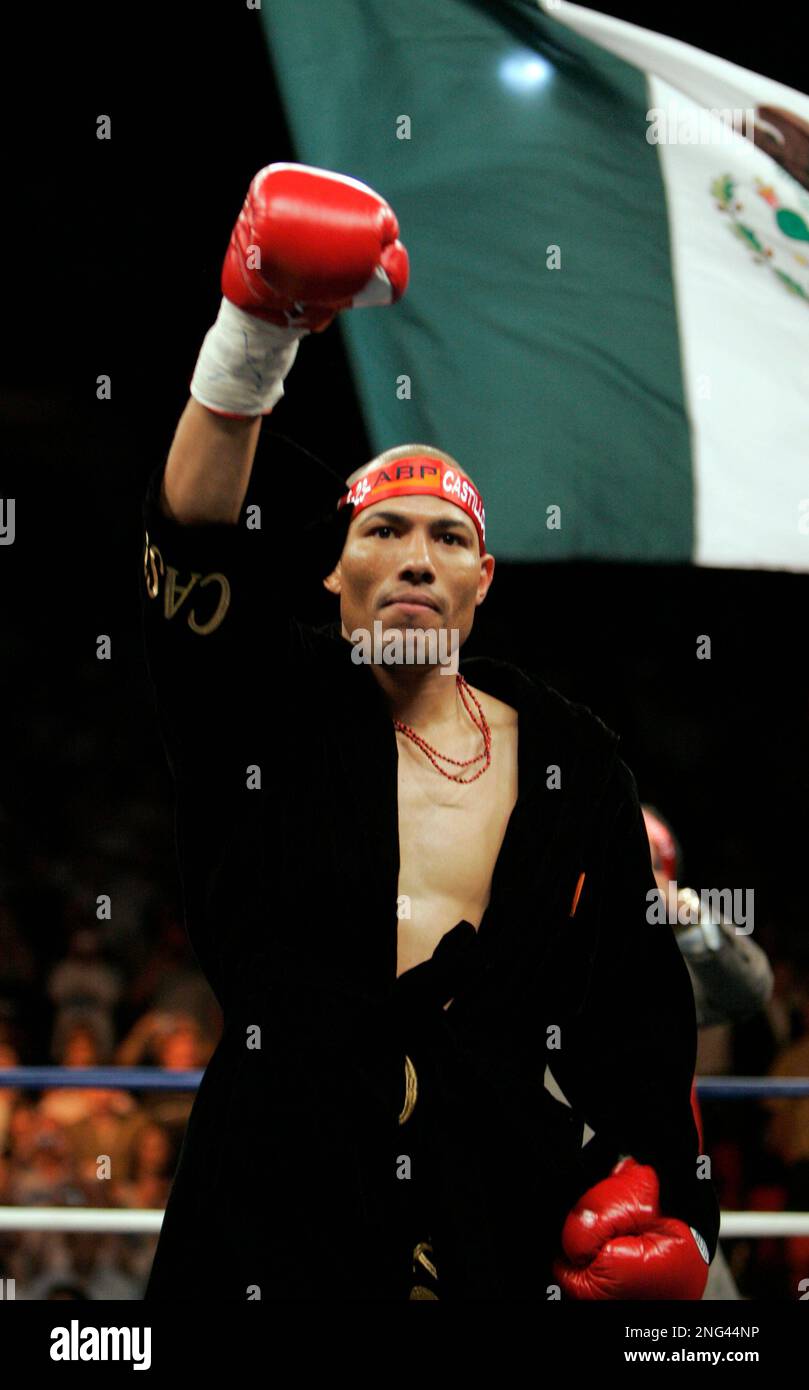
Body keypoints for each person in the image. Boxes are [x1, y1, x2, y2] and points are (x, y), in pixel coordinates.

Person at [139, 162, 720, 1300]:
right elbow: (193, 548)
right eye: (385, 531)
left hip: (487, 1195)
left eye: (447, 537)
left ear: (481, 580)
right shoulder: (270, 706)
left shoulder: (569, 763)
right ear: (334, 574)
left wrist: (679, 1206)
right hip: (272, 1180)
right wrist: (252, 336)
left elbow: (638, 1017)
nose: (415, 553)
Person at [642, 804, 775, 1300]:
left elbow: (751, 987)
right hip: (562, 1196)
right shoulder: (533, 953)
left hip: (671, 1197)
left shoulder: (670, 973)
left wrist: (689, 916)